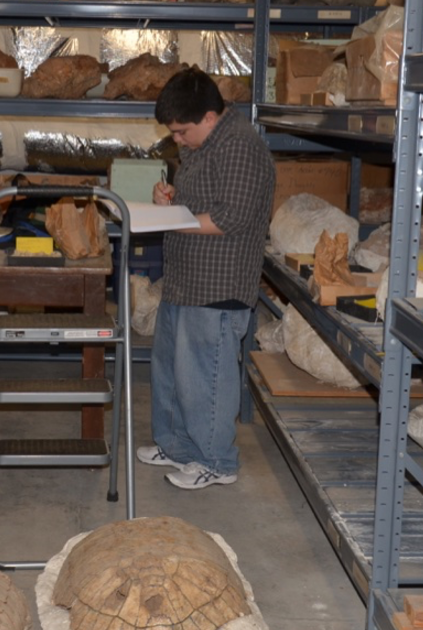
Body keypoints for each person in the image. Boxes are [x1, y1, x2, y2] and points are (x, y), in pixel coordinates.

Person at [136, 68, 275, 490]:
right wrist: (170, 198)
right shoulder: (205, 142)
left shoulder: (240, 146)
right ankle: (179, 446)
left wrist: (172, 220)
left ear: (210, 117)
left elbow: (232, 216)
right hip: (185, 279)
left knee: (205, 377)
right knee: (171, 371)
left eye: (182, 131)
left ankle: (215, 461)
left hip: (218, 284)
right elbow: (205, 197)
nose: (177, 140)